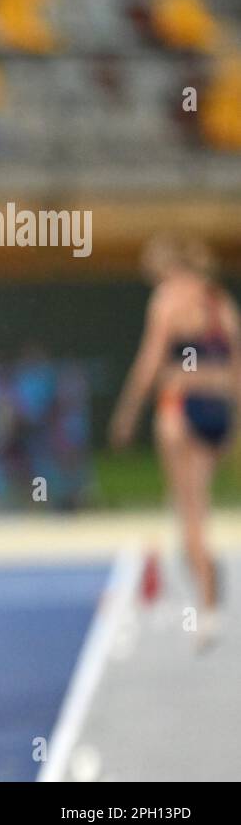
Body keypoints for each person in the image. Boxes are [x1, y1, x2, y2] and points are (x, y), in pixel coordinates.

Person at [110, 234, 237, 651]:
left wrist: (127, 411)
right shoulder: (218, 301)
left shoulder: (167, 300)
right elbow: (235, 365)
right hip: (217, 409)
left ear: (165, 263)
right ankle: (207, 593)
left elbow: (151, 360)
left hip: (181, 409)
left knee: (190, 515)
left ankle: (207, 605)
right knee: (196, 507)